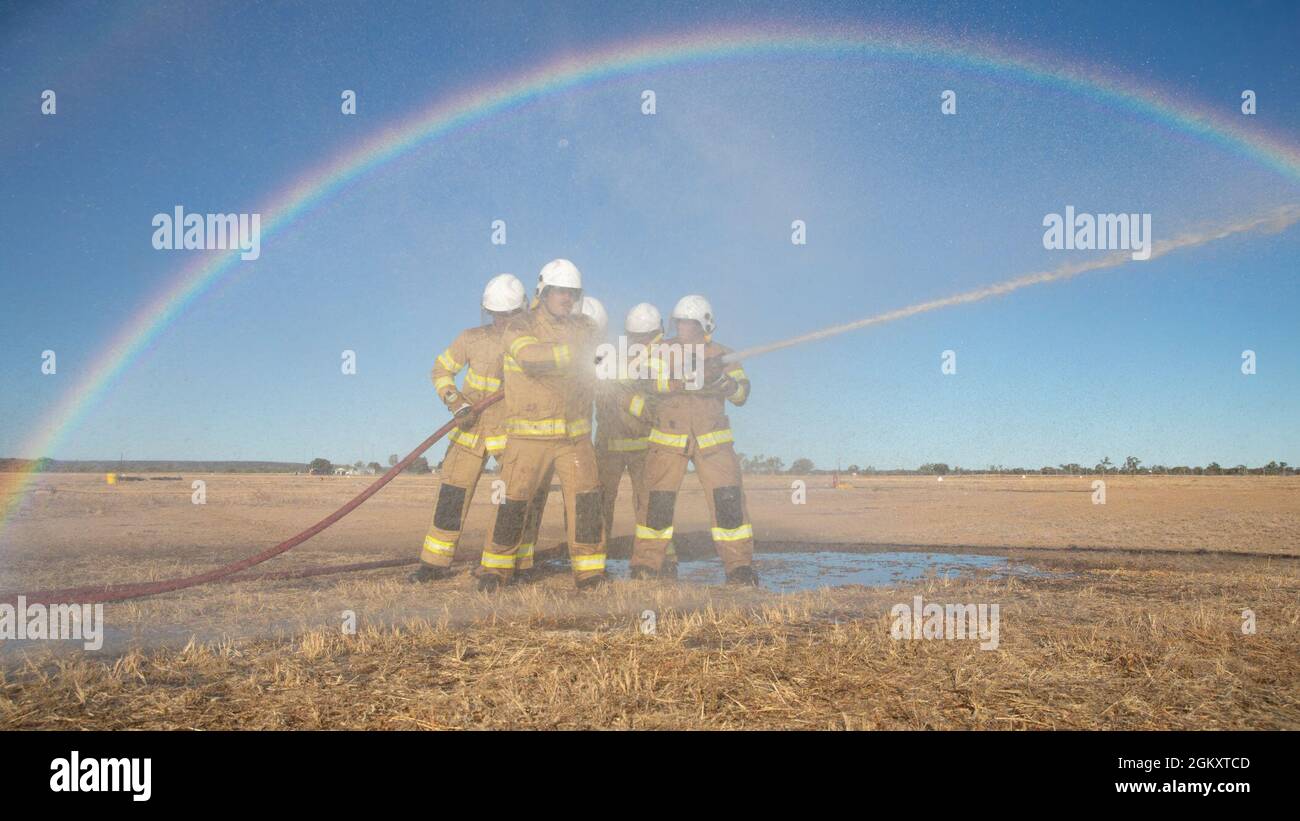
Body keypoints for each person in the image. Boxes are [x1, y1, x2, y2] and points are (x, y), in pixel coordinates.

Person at [477, 259, 607, 592]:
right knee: (512, 502)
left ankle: (590, 571)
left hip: (574, 438)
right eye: (561, 292)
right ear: (543, 293)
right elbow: (530, 357)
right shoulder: (519, 326)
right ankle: (496, 570)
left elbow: (604, 358)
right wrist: (574, 355)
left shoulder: (586, 328)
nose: (567, 298)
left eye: (572, 293)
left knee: (586, 503)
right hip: (527, 437)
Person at [628, 295, 758, 585]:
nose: (683, 328)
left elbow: (741, 395)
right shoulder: (660, 351)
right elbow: (643, 380)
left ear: (705, 325)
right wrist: (682, 380)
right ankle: (646, 565)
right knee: (656, 505)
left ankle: (739, 566)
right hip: (668, 440)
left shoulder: (725, 355)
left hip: (714, 444)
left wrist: (724, 383)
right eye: (680, 323)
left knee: (729, 503)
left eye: (690, 323)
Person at [411, 274, 524, 582]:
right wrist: (456, 403)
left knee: (511, 500)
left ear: (522, 312)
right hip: (469, 430)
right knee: (452, 496)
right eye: (497, 315)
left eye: (509, 315)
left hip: (510, 434)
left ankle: (504, 566)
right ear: (487, 312)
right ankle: (434, 564)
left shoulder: (530, 346)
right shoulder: (470, 338)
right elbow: (441, 369)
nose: (502, 321)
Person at [594, 303, 662, 559]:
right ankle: (594, 557)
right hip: (608, 447)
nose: (644, 343)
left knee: (648, 503)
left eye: (646, 338)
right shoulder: (612, 357)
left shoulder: (661, 363)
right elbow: (593, 380)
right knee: (600, 502)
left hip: (643, 447)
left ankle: (654, 559)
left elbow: (652, 409)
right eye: (638, 338)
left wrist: (622, 396)